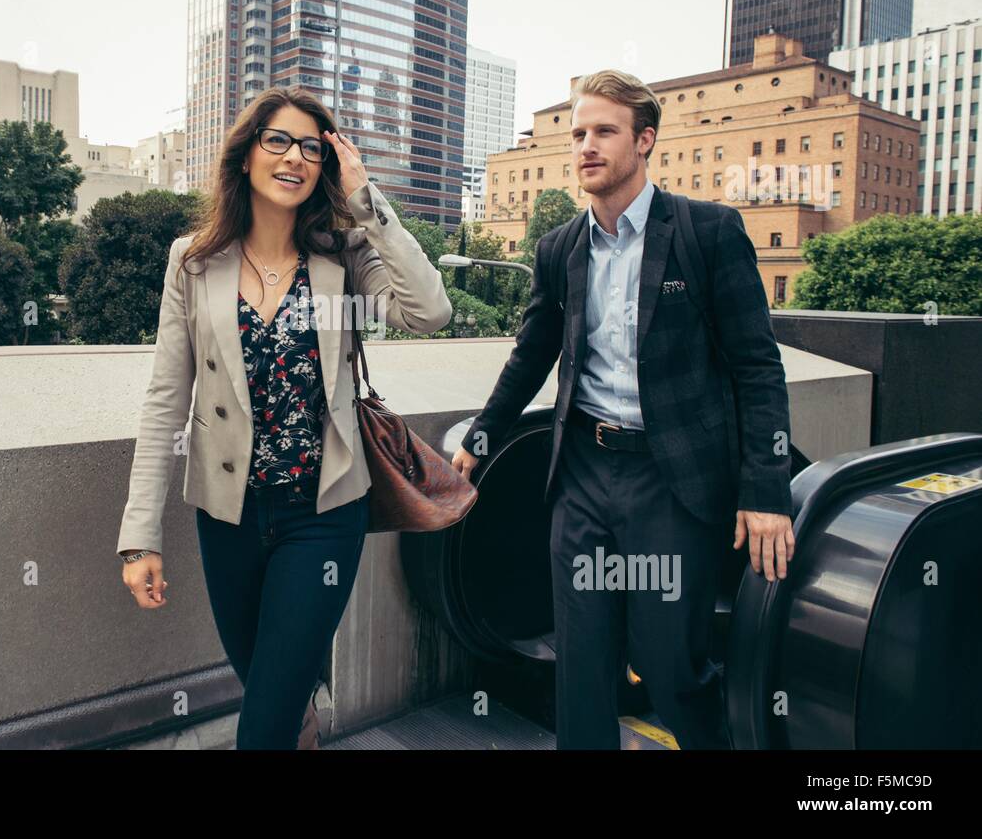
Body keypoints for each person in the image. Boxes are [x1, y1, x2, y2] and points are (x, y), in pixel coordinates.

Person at [451, 69, 795, 749]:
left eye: (604, 131)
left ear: (645, 141)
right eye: (578, 132)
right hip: (582, 471)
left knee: (671, 665)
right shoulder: (559, 250)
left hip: (672, 483)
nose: (586, 145)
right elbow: (531, 354)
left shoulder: (708, 232)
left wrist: (767, 490)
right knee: (580, 668)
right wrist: (482, 438)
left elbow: (758, 368)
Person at [117, 85, 452, 749]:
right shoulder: (193, 260)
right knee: (273, 688)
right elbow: (165, 397)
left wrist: (368, 202)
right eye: (277, 140)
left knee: (262, 723)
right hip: (226, 515)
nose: (293, 156)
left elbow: (430, 313)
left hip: (323, 513)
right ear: (246, 156)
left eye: (310, 146)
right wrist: (140, 534)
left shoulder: (344, 256)